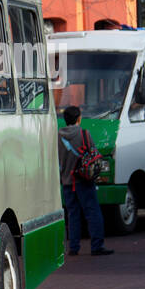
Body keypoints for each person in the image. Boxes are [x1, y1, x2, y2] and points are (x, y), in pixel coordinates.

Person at [58, 105, 112, 256]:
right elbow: (93, 153)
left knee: (72, 215)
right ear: (79, 118)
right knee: (92, 212)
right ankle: (97, 245)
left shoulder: (58, 136)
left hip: (67, 181)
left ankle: (74, 247)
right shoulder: (84, 134)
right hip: (83, 180)